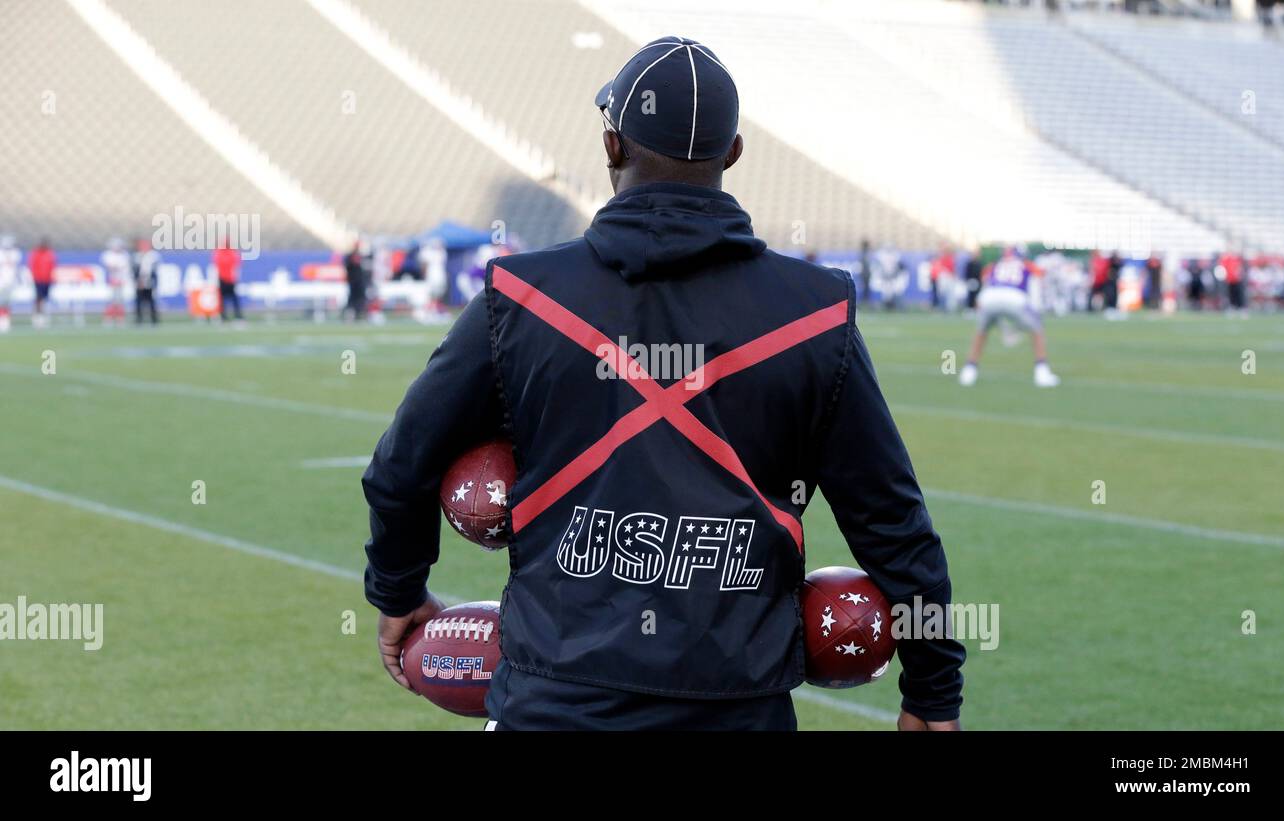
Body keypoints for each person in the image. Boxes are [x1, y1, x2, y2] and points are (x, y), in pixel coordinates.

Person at [362, 36, 964, 731]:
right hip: (737, 711)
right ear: (732, 154)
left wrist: (398, 589)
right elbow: (892, 522)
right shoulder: (817, 311)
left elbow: (399, 467)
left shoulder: (518, 297)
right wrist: (932, 688)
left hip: (552, 707)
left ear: (611, 145)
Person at [959, 246, 1060, 388]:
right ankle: (1041, 372)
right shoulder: (1026, 265)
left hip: (989, 298)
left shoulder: (995, 265)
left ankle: (969, 370)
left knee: (981, 332)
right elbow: (1039, 277)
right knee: (1037, 328)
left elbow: (986, 281)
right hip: (1014, 298)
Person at [100, 237, 131, 326]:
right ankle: (108, 319)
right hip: (111, 281)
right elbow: (111, 266)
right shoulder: (108, 255)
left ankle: (120, 319)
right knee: (111, 301)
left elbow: (124, 268)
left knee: (119, 301)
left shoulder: (124, 255)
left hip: (121, 281)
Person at [132, 238, 161, 325]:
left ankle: (154, 320)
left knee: (151, 301)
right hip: (139, 282)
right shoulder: (137, 256)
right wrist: (138, 280)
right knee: (139, 301)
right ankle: (139, 319)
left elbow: (154, 270)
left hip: (149, 282)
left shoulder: (153, 256)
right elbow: (135, 270)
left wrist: (151, 280)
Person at [28, 238, 55, 328]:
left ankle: (42, 316)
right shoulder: (36, 253)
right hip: (38, 279)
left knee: (44, 298)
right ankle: (37, 317)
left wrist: (51, 277)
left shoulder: (49, 254)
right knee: (38, 298)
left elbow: (52, 266)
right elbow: (32, 266)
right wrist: (35, 277)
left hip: (47, 280)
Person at [213, 241, 243, 321]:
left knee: (225, 299)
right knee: (232, 299)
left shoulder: (220, 253)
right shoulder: (231, 253)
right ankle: (236, 316)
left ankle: (225, 316)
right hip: (229, 279)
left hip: (224, 279)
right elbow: (237, 264)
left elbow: (216, 263)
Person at [342, 239, 369, 321]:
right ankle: (350, 316)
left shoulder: (362, 256)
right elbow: (347, 266)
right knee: (352, 299)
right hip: (353, 281)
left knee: (361, 299)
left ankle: (360, 315)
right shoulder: (350, 256)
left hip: (360, 281)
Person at [0, 236, 19, 333]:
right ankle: (3, 320)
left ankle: (6, 320)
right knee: (2, 302)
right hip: (2, 282)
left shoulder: (15, 253)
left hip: (10, 282)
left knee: (7, 302)